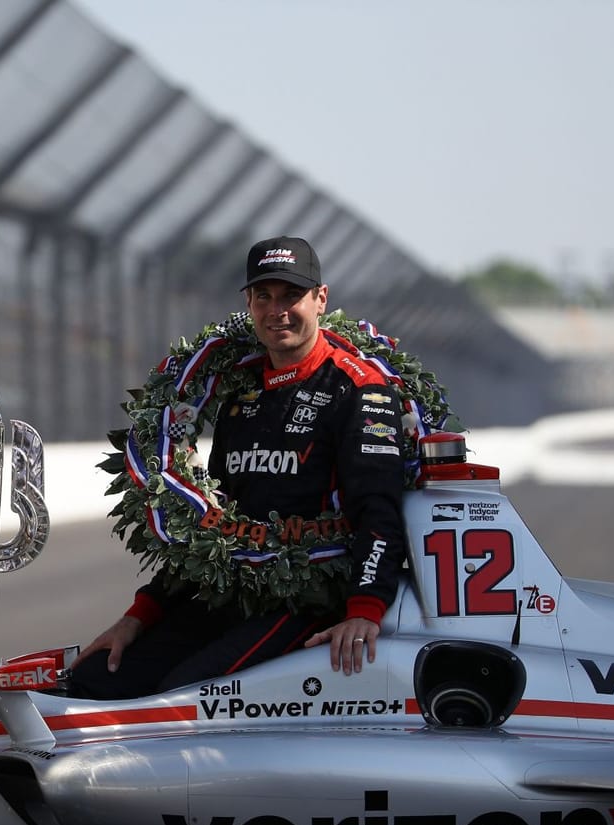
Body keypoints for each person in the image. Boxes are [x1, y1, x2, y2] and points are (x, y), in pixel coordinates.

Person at [68, 236, 407, 698]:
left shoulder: (360, 389)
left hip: (309, 599)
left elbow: (380, 511)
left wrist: (365, 609)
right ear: (248, 304)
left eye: (291, 295)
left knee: (184, 694)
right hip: (234, 591)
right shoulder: (239, 388)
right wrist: (140, 614)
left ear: (321, 299)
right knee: (96, 679)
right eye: (263, 296)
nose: (277, 311)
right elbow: (213, 524)